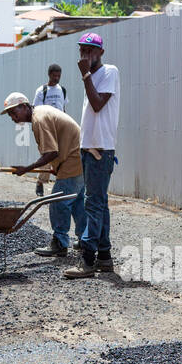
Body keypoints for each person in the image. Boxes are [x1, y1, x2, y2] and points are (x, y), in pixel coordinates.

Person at [0, 92, 84, 257]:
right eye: (9, 114)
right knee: (77, 203)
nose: (12, 117)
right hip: (80, 157)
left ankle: (60, 243)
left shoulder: (39, 119)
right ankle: (85, 240)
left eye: (13, 112)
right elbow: (56, 148)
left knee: (59, 202)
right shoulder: (41, 112)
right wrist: (56, 167)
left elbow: (51, 152)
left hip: (73, 159)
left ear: (24, 106)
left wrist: (27, 168)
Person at [64, 32, 119, 279]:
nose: (85, 55)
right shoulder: (92, 77)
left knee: (92, 204)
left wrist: (85, 74)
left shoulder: (109, 72)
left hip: (101, 150)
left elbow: (98, 105)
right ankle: (104, 257)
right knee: (99, 203)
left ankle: (87, 260)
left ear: (101, 53)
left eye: (90, 50)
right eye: (82, 51)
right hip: (89, 149)